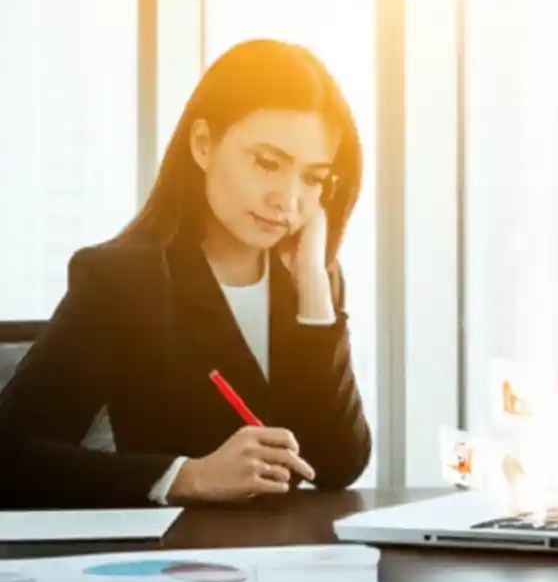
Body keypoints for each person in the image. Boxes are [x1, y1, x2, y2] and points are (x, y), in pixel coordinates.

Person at [0, 39, 372, 509]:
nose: (289, 200)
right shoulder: (122, 279)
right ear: (203, 144)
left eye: (313, 178)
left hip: (290, 560)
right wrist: (185, 476)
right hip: (175, 562)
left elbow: (337, 463)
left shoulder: (308, 276)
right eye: (268, 163)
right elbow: (9, 456)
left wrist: (315, 294)